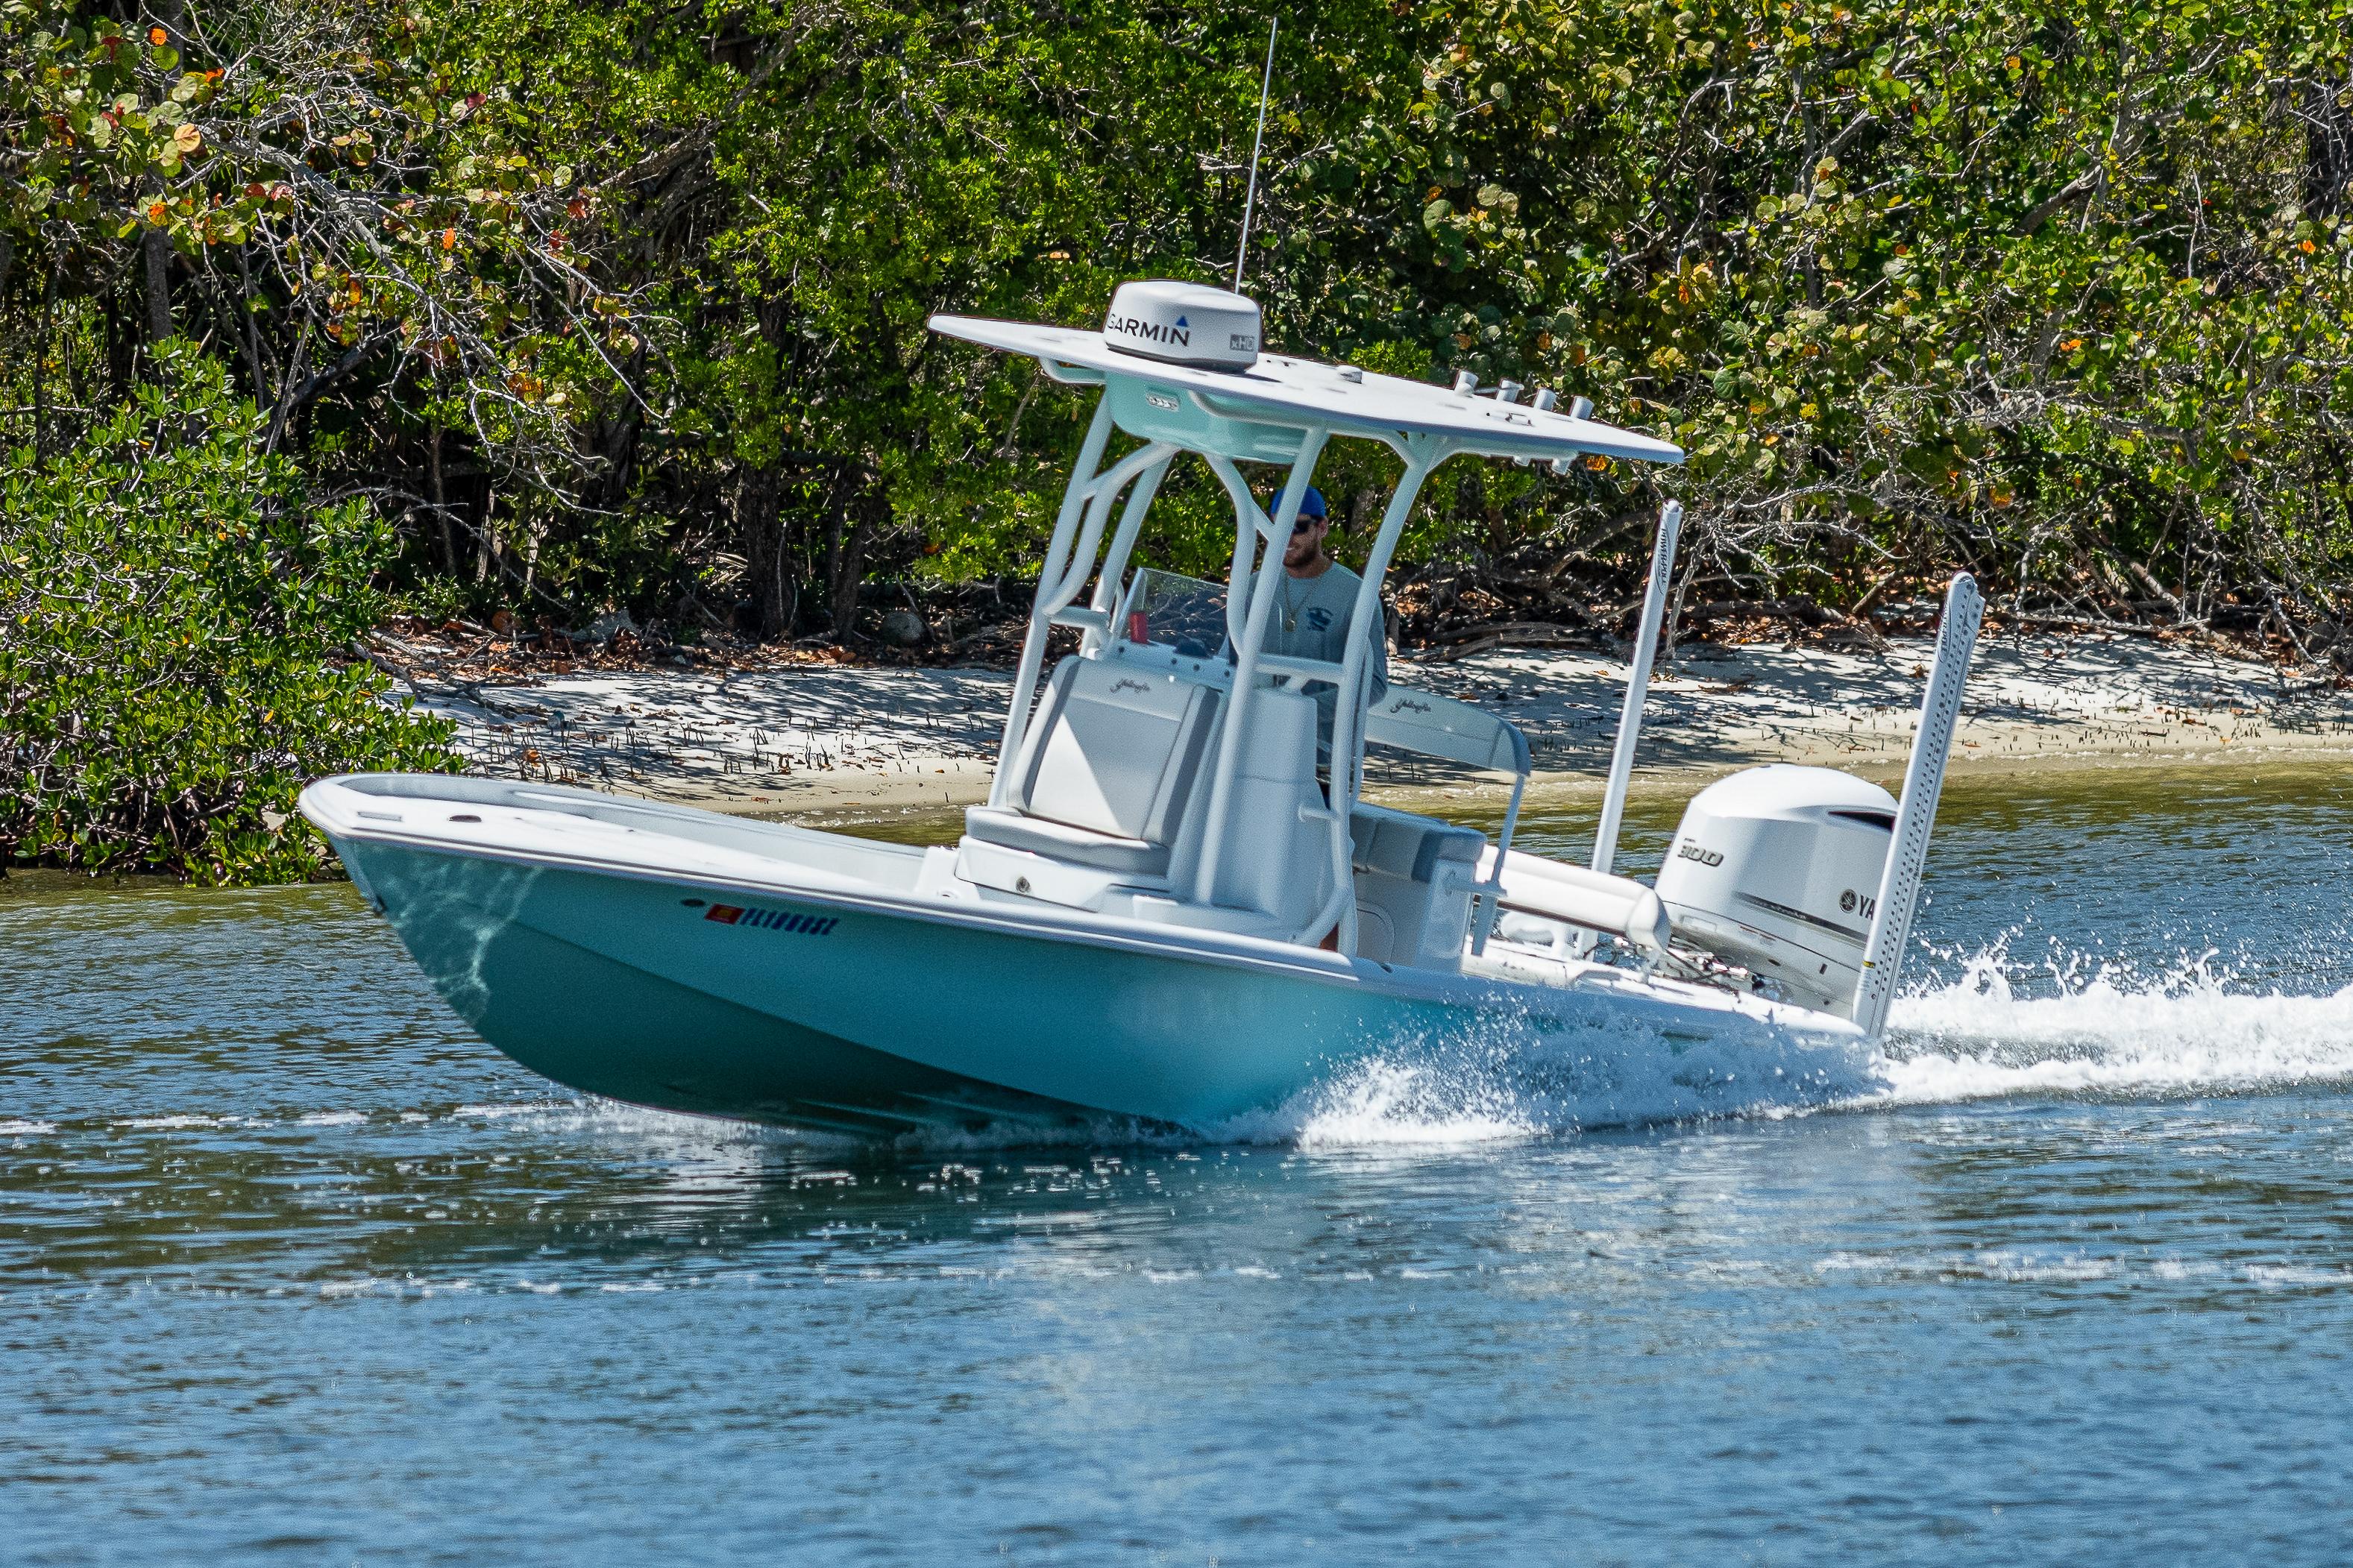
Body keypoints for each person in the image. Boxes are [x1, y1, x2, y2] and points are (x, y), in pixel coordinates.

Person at [1260, 484, 1388, 764]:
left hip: (1323, 757)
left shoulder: (1357, 595)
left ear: (1322, 528)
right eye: (1277, 527)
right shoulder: (1253, 588)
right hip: (1257, 740)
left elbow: (1375, 684)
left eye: (1297, 527)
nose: (1286, 538)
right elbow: (1228, 662)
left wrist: (1302, 710)